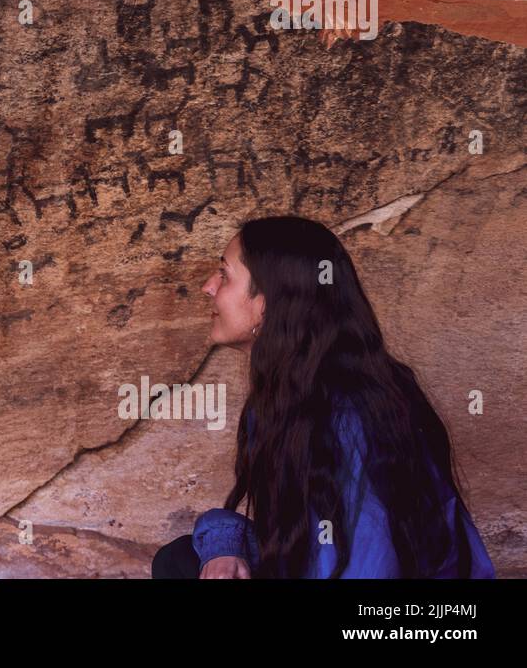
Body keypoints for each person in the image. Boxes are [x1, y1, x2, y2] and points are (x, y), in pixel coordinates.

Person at [152, 215, 495, 579]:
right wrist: (224, 546)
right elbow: (296, 540)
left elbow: (369, 564)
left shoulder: (349, 415)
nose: (208, 287)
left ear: (268, 303)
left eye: (225, 274)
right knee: (182, 559)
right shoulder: (286, 398)